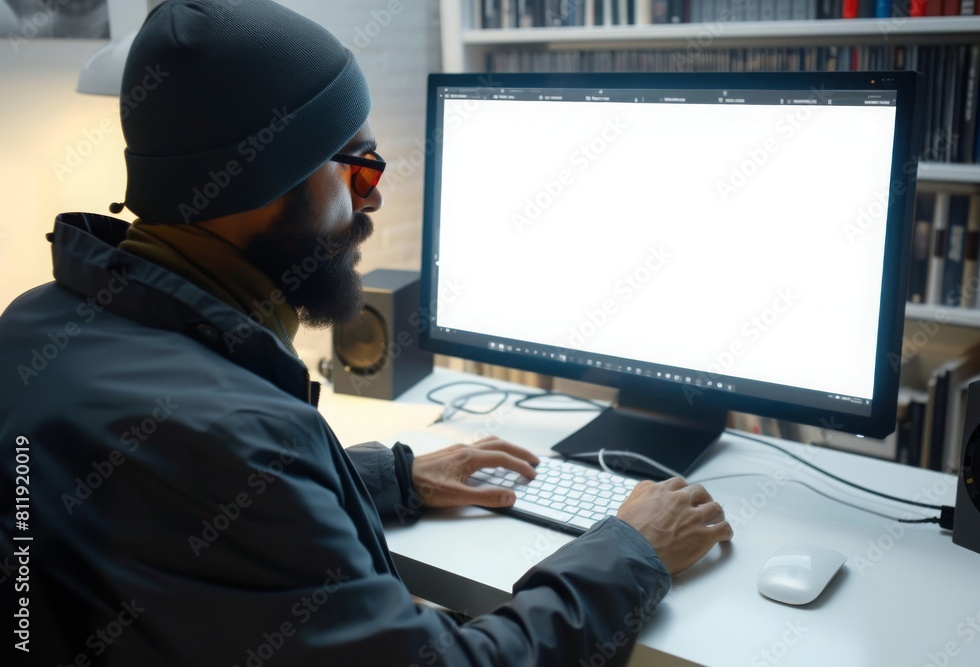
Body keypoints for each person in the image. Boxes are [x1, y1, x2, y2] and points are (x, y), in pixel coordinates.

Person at [0, 1, 733, 664]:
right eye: (357, 165)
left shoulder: (33, 324)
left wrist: (388, 478)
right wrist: (634, 550)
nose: (375, 195)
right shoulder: (235, 436)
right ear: (256, 182)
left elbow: (178, 525)